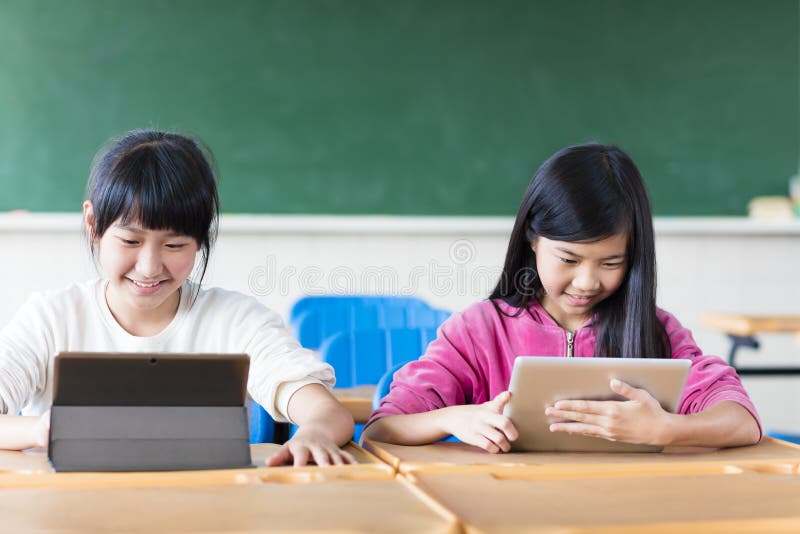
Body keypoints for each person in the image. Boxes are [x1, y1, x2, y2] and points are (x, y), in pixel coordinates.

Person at [363, 142, 761, 452]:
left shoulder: (657, 332)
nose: (587, 282)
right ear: (532, 240)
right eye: (569, 259)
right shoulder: (479, 330)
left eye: (611, 263)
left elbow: (742, 421)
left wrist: (668, 428)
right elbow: (383, 429)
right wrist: (452, 419)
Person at [0, 130, 355, 466]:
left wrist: (315, 432)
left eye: (174, 245)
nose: (149, 267)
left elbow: (326, 412)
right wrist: (38, 430)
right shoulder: (49, 319)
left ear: (201, 240)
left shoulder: (235, 320)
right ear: (93, 224)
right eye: (130, 241)